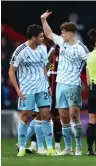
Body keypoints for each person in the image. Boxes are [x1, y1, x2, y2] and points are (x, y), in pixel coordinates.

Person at [41, 10, 90, 156]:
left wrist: (89, 81)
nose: (61, 35)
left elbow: (90, 64)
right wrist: (43, 20)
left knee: (75, 116)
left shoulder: (81, 48)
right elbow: (49, 35)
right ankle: (68, 148)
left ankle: (79, 147)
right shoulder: (62, 43)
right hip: (59, 85)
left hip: (73, 85)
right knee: (63, 117)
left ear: (70, 33)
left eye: (63, 32)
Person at [9, 24, 55, 156]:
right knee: (25, 116)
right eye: (40, 36)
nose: (42, 38)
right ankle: (22, 147)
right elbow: (11, 71)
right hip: (27, 89)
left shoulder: (42, 48)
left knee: (46, 116)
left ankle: (49, 148)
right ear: (33, 37)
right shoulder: (20, 50)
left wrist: (48, 85)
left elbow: (44, 67)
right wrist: (18, 89)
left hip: (42, 87)